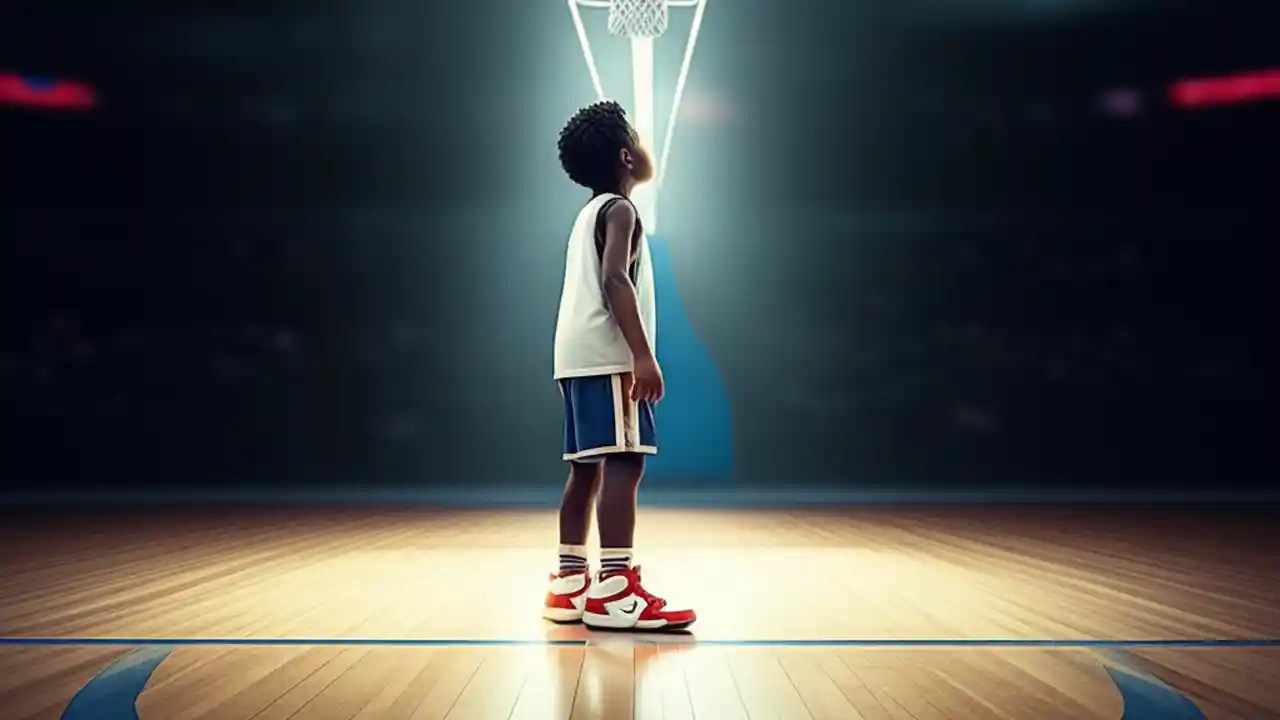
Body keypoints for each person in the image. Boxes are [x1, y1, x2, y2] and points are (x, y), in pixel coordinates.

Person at [542, 101, 696, 631]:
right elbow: (614, 281)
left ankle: (568, 584)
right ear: (627, 155)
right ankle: (613, 589)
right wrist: (643, 354)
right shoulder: (621, 211)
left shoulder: (587, 213)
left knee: (585, 470)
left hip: (575, 357)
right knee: (627, 463)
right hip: (608, 356)